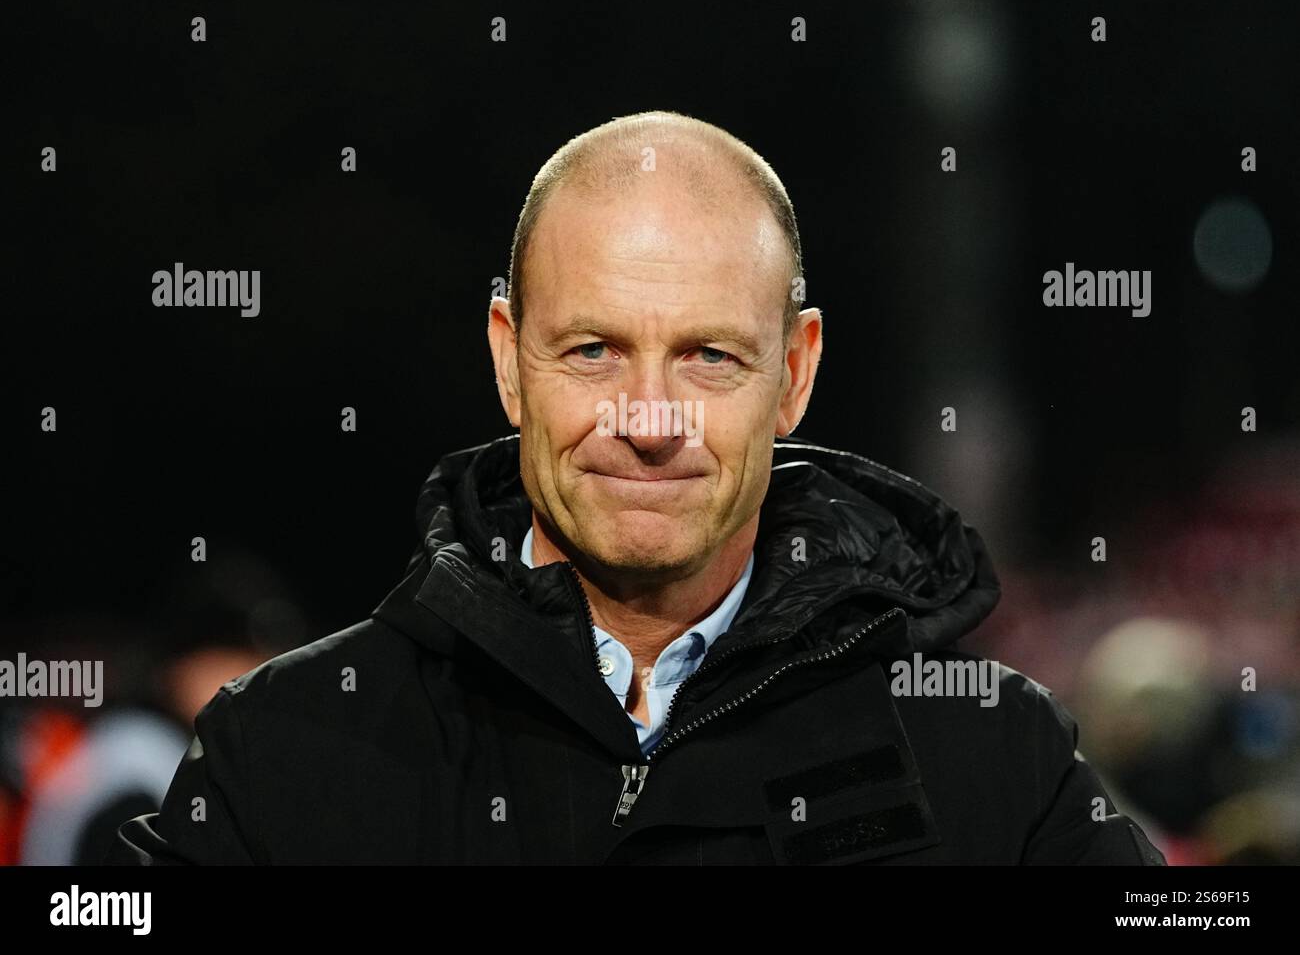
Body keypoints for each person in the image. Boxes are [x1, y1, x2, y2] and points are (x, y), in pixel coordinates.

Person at [108, 110, 1165, 864]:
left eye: (708, 356)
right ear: (506, 355)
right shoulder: (289, 748)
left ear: (793, 373)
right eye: (594, 351)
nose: (648, 421)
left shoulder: (993, 755)